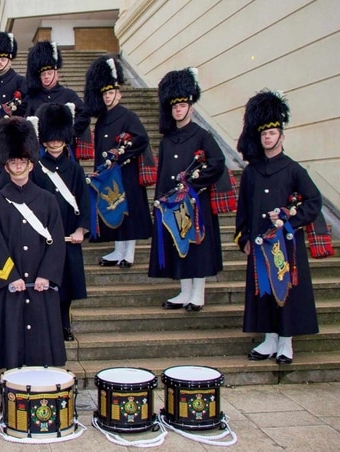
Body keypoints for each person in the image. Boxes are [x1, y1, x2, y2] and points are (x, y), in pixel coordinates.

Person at [235, 90, 321, 364]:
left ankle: (286, 342)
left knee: (287, 290)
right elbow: (244, 208)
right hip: (260, 243)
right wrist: (244, 237)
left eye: (272, 133)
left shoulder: (295, 170)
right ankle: (269, 339)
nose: (268, 137)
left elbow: (313, 201)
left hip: (287, 245)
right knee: (265, 290)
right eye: (264, 134)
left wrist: (290, 221)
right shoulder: (251, 172)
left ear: (281, 136)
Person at [0, 116, 66, 370]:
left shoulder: (47, 200)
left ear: (31, 165)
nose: (18, 166)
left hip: (40, 287)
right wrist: (10, 277)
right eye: (13, 161)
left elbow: (57, 243)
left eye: (22, 161)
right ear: (5, 166)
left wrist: (46, 275)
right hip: (12, 285)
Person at [150, 67, 225, 312]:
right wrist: (159, 199)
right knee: (177, 243)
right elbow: (162, 171)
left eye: (182, 106)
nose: (178, 110)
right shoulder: (168, 139)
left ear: (191, 108)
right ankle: (184, 291)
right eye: (174, 107)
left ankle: (198, 294)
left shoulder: (203, 135)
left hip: (195, 202)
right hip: (172, 202)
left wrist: (194, 183)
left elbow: (217, 163)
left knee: (197, 247)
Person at [83, 55, 151, 268]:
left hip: (125, 173)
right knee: (113, 209)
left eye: (111, 93)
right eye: (105, 93)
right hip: (108, 175)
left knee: (127, 211)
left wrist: (120, 155)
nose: (107, 97)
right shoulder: (102, 119)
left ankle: (128, 252)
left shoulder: (128, 116)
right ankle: (118, 249)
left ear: (119, 95)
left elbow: (141, 139)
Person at [31, 103, 90, 342]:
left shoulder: (75, 169)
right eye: (50, 137)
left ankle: (64, 324)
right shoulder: (36, 168)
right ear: (44, 139)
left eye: (59, 137)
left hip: (67, 233)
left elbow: (84, 202)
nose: (54, 142)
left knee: (67, 285)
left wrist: (80, 229)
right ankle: (47, 323)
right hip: (43, 234)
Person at [23, 41, 91, 158]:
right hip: (41, 153)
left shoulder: (68, 95)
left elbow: (84, 115)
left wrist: (70, 131)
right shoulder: (33, 99)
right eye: (43, 74)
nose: (46, 77)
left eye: (49, 73)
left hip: (65, 152)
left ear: (57, 74)